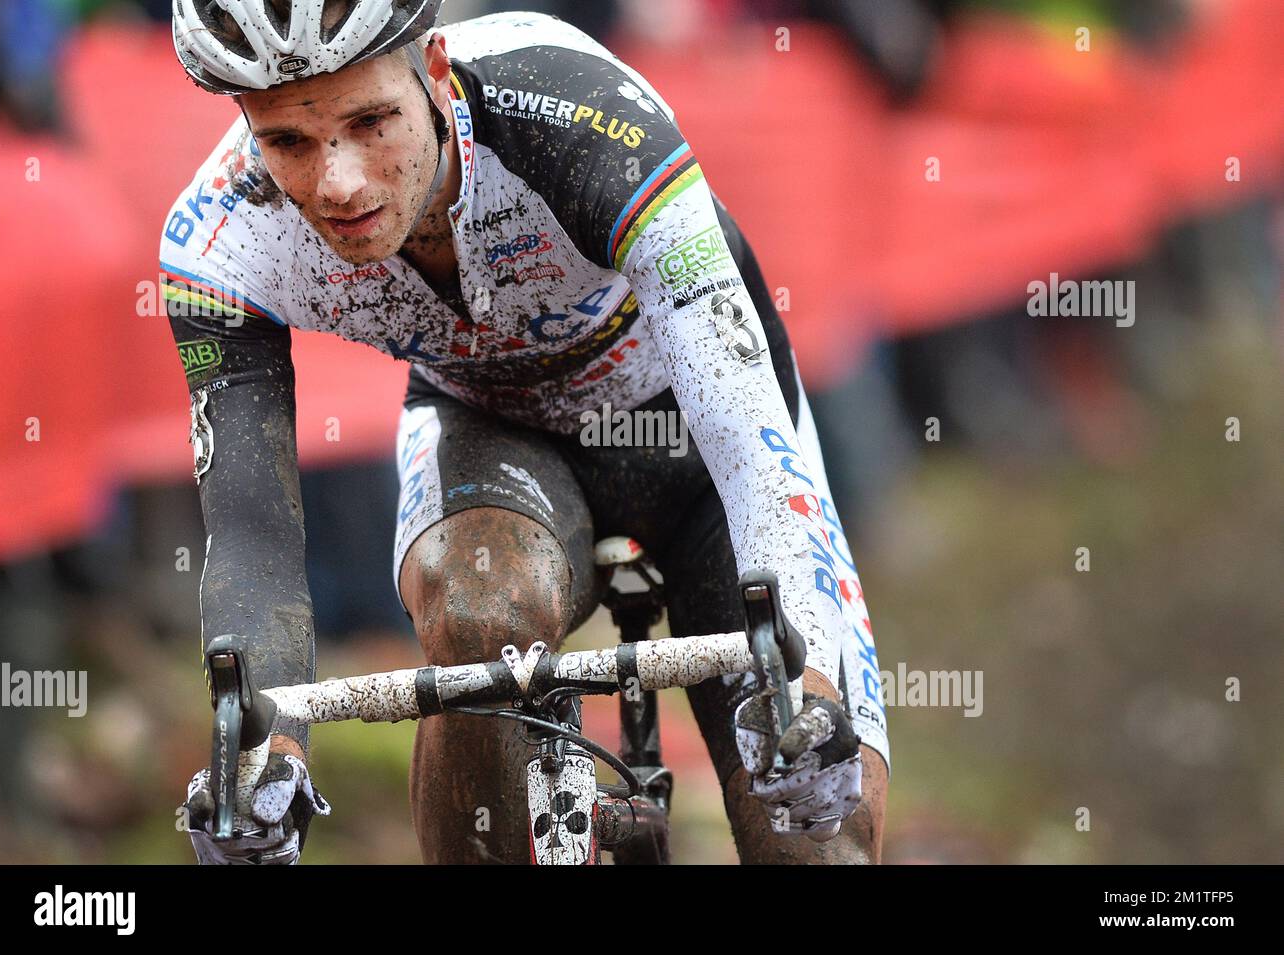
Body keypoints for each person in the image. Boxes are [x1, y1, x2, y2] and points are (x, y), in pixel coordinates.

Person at [165, 0, 888, 864]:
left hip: (696, 439)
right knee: (478, 610)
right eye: (288, 142)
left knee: (815, 839)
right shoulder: (220, 241)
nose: (340, 183)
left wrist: (801, 683)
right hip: (493, 435)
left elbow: (746, 427)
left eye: (371, 121)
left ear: (434, 71)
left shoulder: (579, 117)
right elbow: (252, 531)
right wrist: (260, 753)